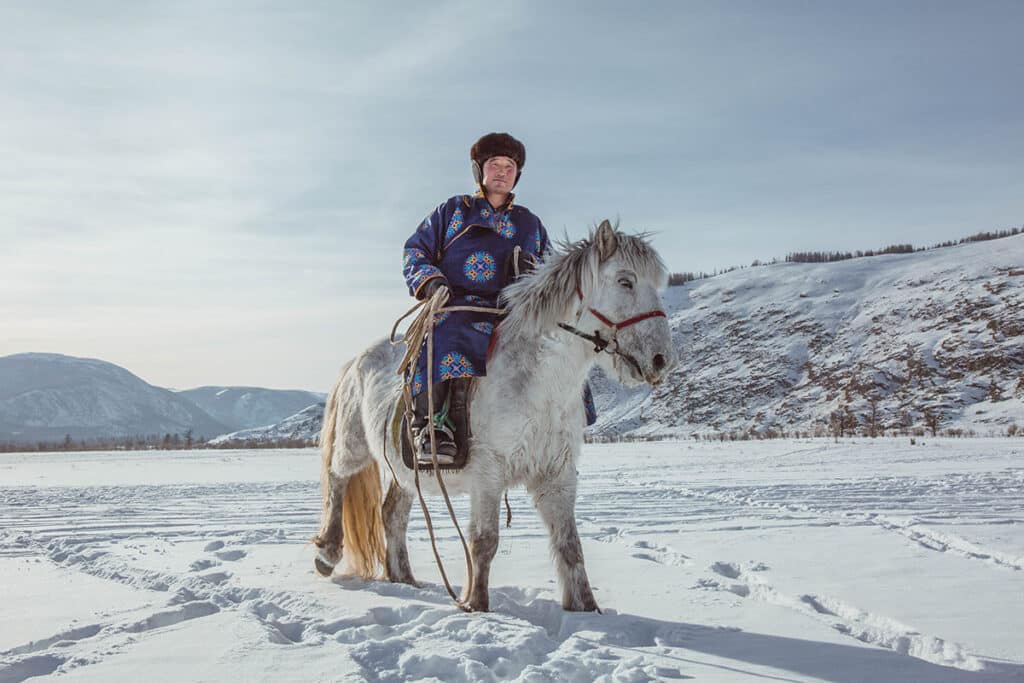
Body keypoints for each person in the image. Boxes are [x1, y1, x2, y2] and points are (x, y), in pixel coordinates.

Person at [402, 132, 595, 464]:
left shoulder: (529, 224)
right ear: (480, 171)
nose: (503, 172)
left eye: (510, 166)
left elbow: (551, 274)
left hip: (513, 312)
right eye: (495, 165)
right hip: (456, 305)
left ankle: (563, 425)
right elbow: (415, 250)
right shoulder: (452, 212)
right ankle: (433, 428)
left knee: (561, 346)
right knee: (444, 334)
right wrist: (431, 283)